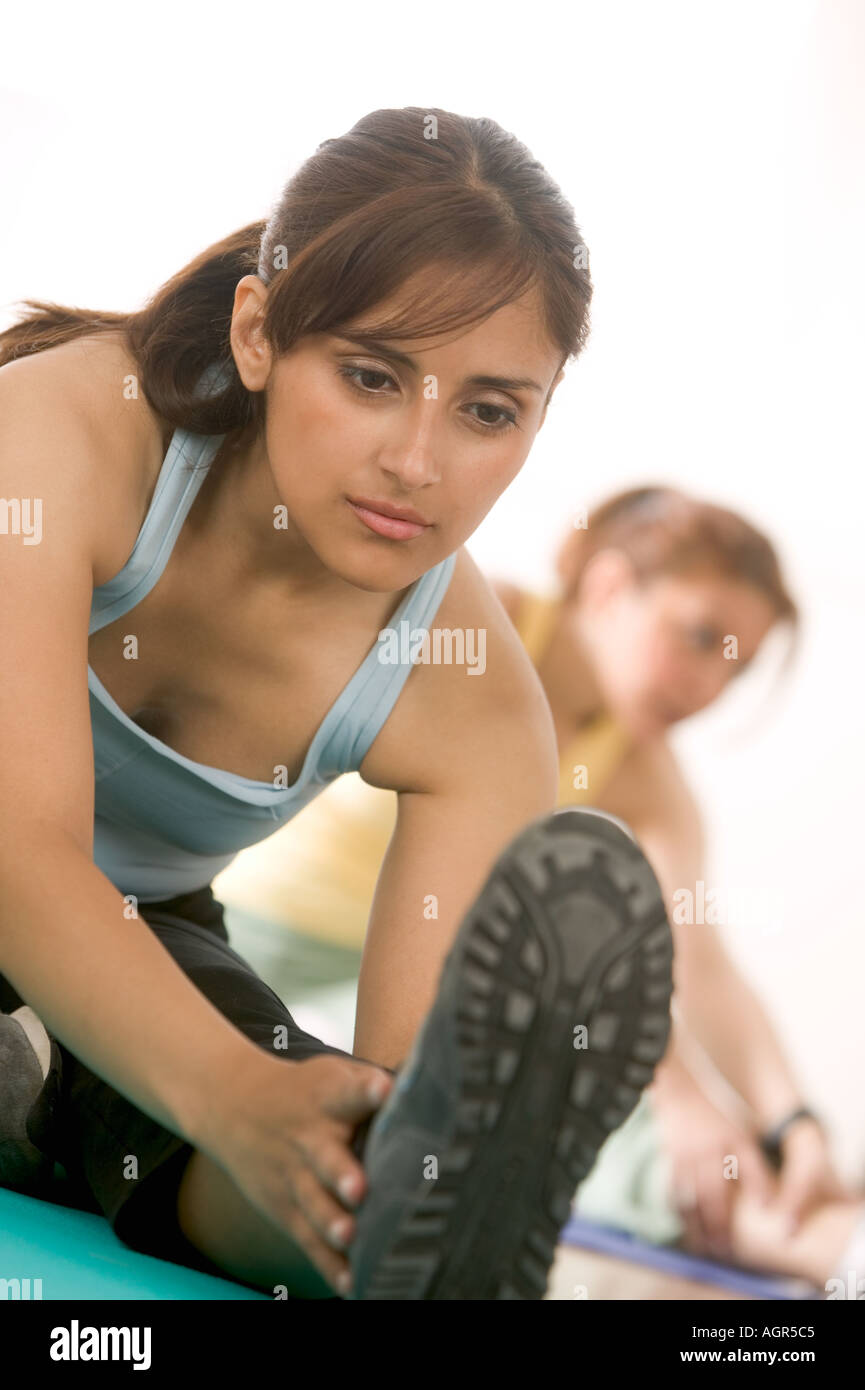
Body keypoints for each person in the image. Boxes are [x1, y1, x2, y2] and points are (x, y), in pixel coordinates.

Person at [0, 106, 676, 1300]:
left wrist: (359, 1138)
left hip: (135, 933)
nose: (418, 462)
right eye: (369, 377)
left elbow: (418, 1076)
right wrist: (223, 1085)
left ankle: (373, 1243)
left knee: (314, 1116)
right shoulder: (60, 435)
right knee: (196, 1068)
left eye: (486, 410)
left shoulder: (469, 699)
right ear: (259, 333)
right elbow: (22, 848)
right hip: (26, 879)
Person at [222, 484, 864, 1294]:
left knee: (688, 1142)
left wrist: (791, 1122)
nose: (707, 685)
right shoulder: (469, 624)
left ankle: (836, 1247)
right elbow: (498, 894)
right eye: (699, 636)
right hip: (259, 958)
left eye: (734, 668)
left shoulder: (642, 771)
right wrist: (679, 1088)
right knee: (581, 1083)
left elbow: (696, 962)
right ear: (606, 586)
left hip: (420, 995)